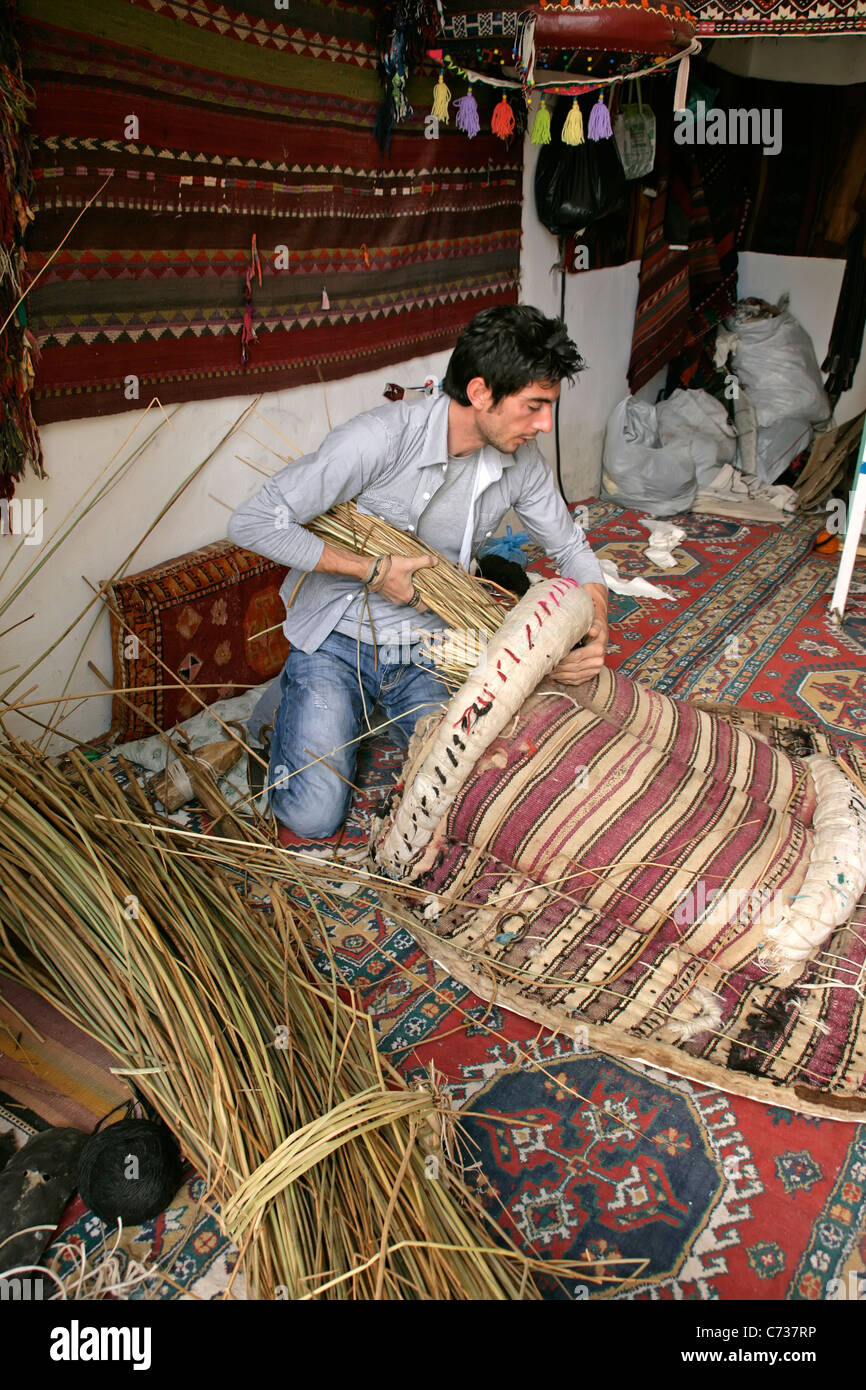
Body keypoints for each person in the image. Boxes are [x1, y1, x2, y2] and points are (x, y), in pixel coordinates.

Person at [228, 304, 609, 839]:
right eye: (534, 407)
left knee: (476, 794)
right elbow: (253, 522)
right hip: (340, 639)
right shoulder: (379, 439)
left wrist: (596, 622)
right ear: (480, 393)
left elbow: (572, 549)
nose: (545, 424)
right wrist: (373, 570)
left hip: (431, 650)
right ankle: (287, 701)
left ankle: (351, 717)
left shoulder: (523, 462)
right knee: (313, 817)